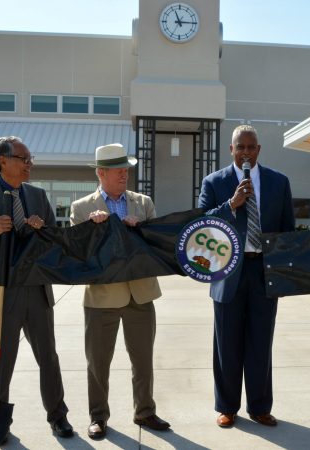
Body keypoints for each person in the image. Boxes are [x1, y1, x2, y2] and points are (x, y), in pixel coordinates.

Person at [0, 136, 73, 440]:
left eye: (30, 158)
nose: (29, 164)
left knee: (48, 356)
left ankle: (58, 416)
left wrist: (41, 229)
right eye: (24, 158)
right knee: (0, 360)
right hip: (2, 293)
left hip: (36, 289)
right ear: (3, 161)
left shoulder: (37, 196)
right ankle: (0, 420)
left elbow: (54, 238)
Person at [197, 125, 295, 428]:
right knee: (227, 343)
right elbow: (201, 224)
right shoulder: (215, 182)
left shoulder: (279, 183)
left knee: (260, 342)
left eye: (251, 147)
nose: (246, 153)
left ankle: (260, 406)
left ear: (259, 150)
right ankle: (227, 407)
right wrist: (231, 205)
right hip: (228, 271)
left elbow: (287, 231)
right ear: (231, 150)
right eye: (240, 147)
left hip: (264, 270)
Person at [70, 143, 170, 439]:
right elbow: (78, 254)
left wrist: (141, 229)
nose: (124, 174)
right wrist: (92, 228)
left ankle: (145, 412)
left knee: (143, 359)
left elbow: (157, 247)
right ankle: (98, 416)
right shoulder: (82, 208)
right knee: (98, 362)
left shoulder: (143, 203)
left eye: (126, 169)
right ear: (101, 173)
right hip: (102, 297)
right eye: (118, 170)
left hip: (141, 294)